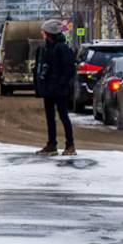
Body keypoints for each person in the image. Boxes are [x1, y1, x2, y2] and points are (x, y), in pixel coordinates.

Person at [33, 19, 77, 156]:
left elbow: (69, 68)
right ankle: (51, 144)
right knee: (50, 117)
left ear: (50, 33)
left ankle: (70, 145)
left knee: (63, 115)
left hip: (58, 89)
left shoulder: (62, 48)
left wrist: (61, 84)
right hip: (48, 88)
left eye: (44, 32)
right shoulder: (46, 47)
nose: (43, 34)